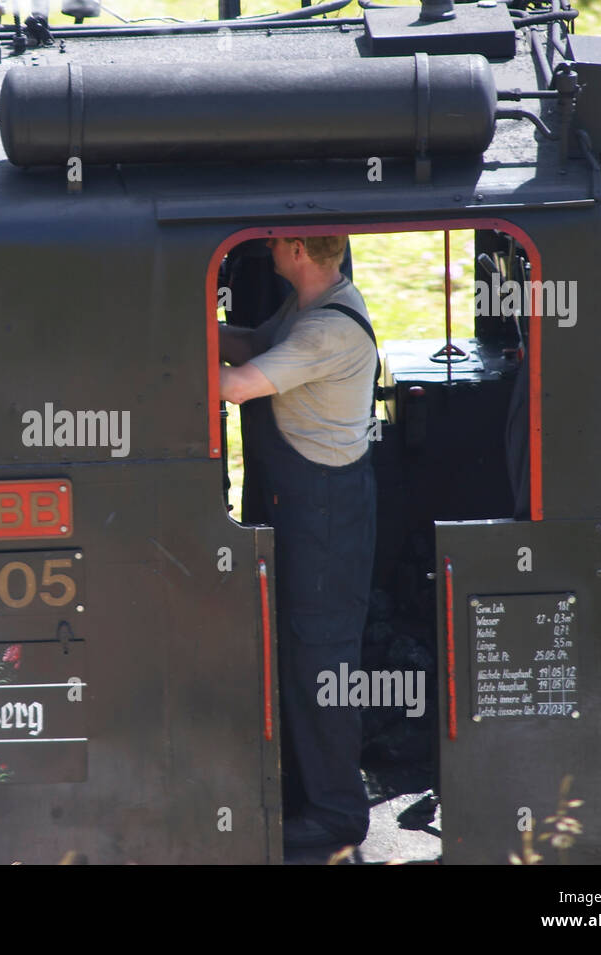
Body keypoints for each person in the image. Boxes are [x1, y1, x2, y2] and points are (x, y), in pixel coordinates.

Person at [218, 234, 378, 850]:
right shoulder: (308, 304)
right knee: (301, 652)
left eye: (276, 243)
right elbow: (257, 345)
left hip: (325, 518)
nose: (268, 249)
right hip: (304, 510)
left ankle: (338, 814)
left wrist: (165, 354)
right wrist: (191, 330)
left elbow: (235, 385)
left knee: (322, 661)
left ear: (296, 252)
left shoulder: (326, 331)